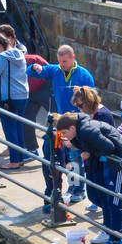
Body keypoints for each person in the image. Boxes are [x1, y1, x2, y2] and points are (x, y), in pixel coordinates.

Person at [31, 44, 94, 207]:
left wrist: (83, 91)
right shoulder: (55, 70)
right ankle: (71, 187)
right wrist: (35, 67)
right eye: (60, 61)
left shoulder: (83, 74)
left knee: (74, 156)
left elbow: (93, 95)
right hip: (61, 122)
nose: (62, 64)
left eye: (65, 61)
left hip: (77, 122)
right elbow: (33, 72)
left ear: (73, 58)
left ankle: (78, 189)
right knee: (59, 155)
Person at [56, 109, 122, 244]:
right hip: (103, 161)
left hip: (116, 163)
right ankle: (109, 230)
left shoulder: (87, 130)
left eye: (64, 133)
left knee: (114, 200)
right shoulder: (78, 132)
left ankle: (117, 238)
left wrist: (90, 152)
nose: (64, 137)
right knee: (101, 197)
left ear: (72, 128)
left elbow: (110, 147)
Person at [0, 32, 30, 168]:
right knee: (18, 127)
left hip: (7, 98)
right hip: (23, 95)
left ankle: (15, 161)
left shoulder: (3, 57)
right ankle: (20, 157)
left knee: (10, 129)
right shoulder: (20, 53)